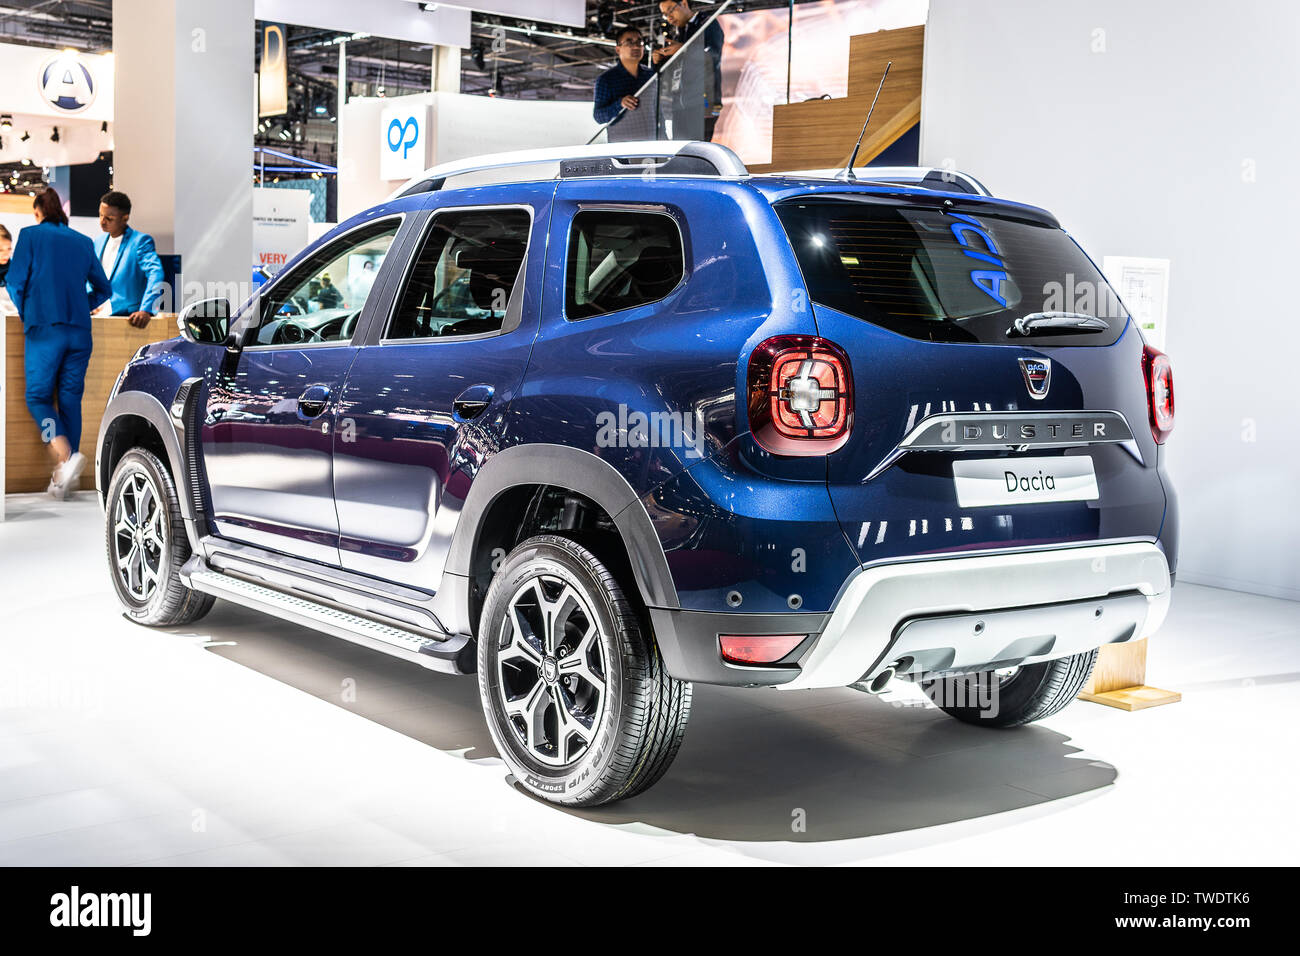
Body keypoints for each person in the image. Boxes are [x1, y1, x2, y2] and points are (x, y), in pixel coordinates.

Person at [4, 189, 113, 499]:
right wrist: (82, 303)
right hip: (79, 333)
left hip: (44, 331)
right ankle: (65, 476)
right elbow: (105, 289)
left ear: (39, 212)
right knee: (69, 401)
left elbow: (14, 281)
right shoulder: (82, 241)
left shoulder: (30, 235)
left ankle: (66, 457)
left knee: (38, 398)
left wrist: (29, 311)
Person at [94, 190, 166, 329]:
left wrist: (146, 309)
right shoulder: (98, 242)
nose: (102, 221)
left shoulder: (140, 241)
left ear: (125, 218)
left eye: (109, 218)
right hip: (98, 317)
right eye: (101, 215)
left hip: (127, 319)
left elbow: (155, 273)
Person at [655, 0, 725, 139]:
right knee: (681, 153)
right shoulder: (680, 32)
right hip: (680, 104)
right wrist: (660, 60)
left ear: (684, 4)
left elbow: (713, 55)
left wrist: (683, 48)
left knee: (698, 152)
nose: (669, 17)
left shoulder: (707, 23)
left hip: (703, 103)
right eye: (664, 14)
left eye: (670, 10)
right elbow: (678, 66)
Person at [593, 27, 656, 128]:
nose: (636, 46)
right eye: (629, 43)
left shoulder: (651, 75)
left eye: (639, 42)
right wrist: (620, 104)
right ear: (618, 49)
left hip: (652, 136)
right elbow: (598, 117)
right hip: (622, 138)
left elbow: (658, 109)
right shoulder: (606, 80)